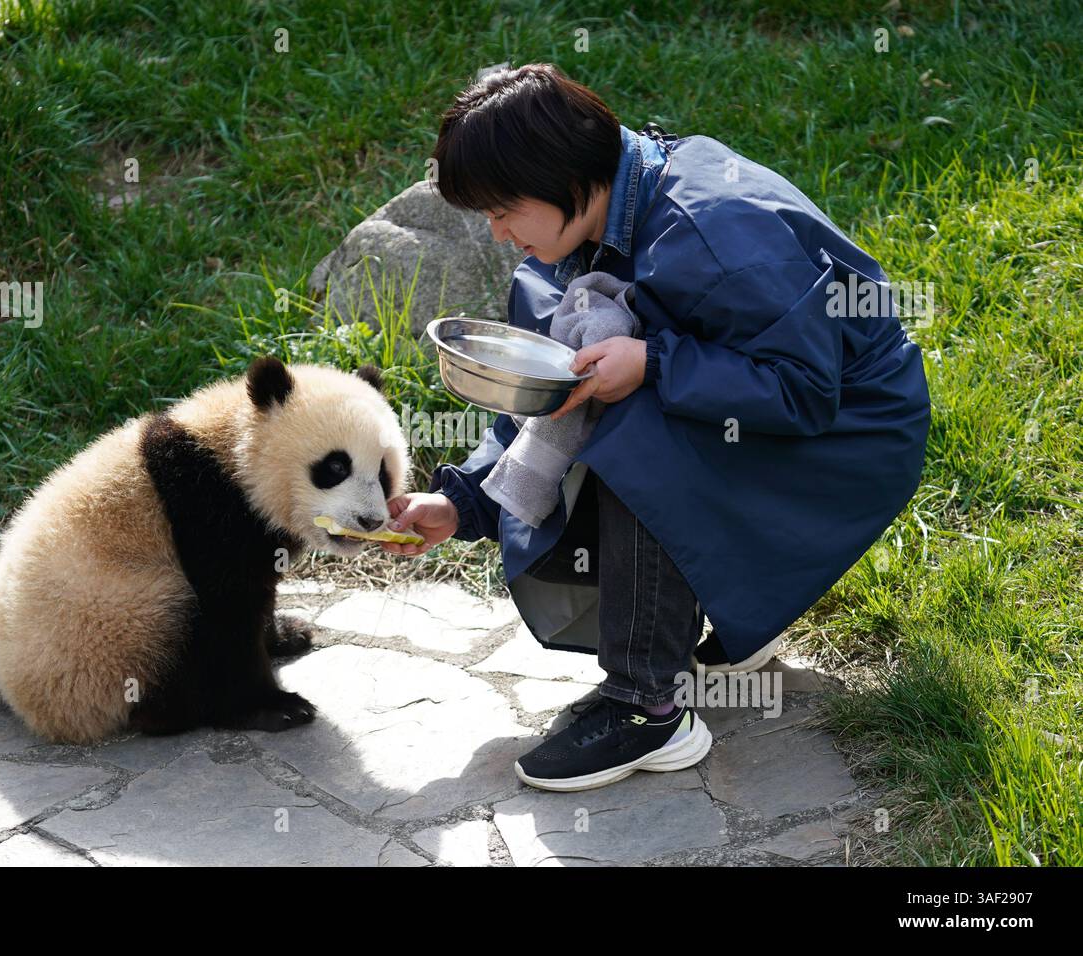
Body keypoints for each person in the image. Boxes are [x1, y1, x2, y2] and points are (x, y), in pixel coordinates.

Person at [380, 63, 931, 793]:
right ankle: (734, 630)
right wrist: (462, 502)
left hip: (852, 428)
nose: (500, 233)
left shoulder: (711, 231)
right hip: (786, 408)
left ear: (564, 175)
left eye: (505, 209)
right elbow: (551, 406)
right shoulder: (593, 228)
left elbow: (803, 390)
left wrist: (657, 362)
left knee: (636, 430)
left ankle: (649, 709)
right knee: (617, 400)